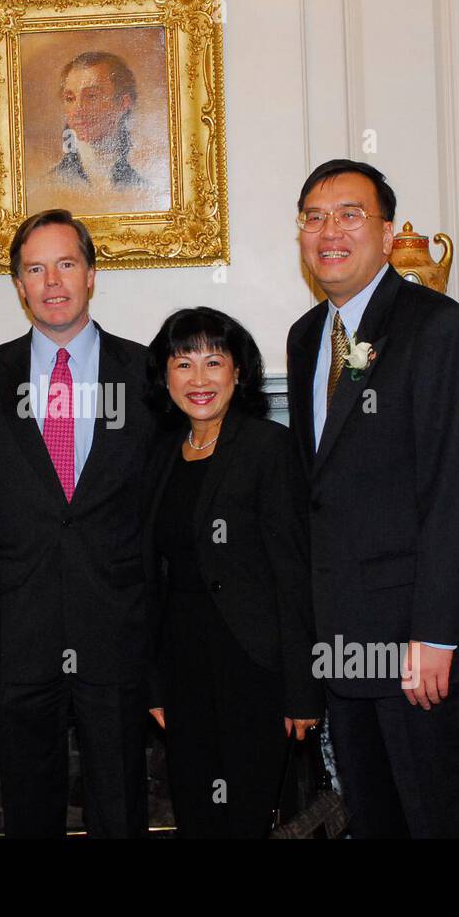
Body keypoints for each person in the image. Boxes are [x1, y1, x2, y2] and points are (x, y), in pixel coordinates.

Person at [286, 158, 459, 837]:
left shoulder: (438, 328)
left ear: (388, 235)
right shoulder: (307, 341)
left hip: (425, 657)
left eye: (350, 214)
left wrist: (435, 635)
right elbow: (321, 492)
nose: (330, 231)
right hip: (351, 656)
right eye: (314, 217)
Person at [0, 208, 158, 838]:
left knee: (120, 804)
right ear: (18, 285)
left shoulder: (148, 374)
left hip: (117, 627)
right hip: (21, 632)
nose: (52, 281)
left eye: (66, 264)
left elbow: (161, 508)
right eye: (35, 269)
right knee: (28, 803)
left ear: (92, 275)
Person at [141, 307, 321, 838]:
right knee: (197, 813)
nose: (199, 380)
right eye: (183, 363)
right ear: (165, 375)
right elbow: (150, 578)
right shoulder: (159, 456)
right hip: (182, 668)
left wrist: (302, 689)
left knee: (250, 814)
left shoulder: (269, 447)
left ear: (238, 372)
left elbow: (294, 575)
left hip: (254, 668)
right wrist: (153, 682)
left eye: (214, 361)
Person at [52, 52, 146, 192]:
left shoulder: (141, 186)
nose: (77, 110)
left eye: (91, 96)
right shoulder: (52, 183)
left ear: (123, 103)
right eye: (70, 98)